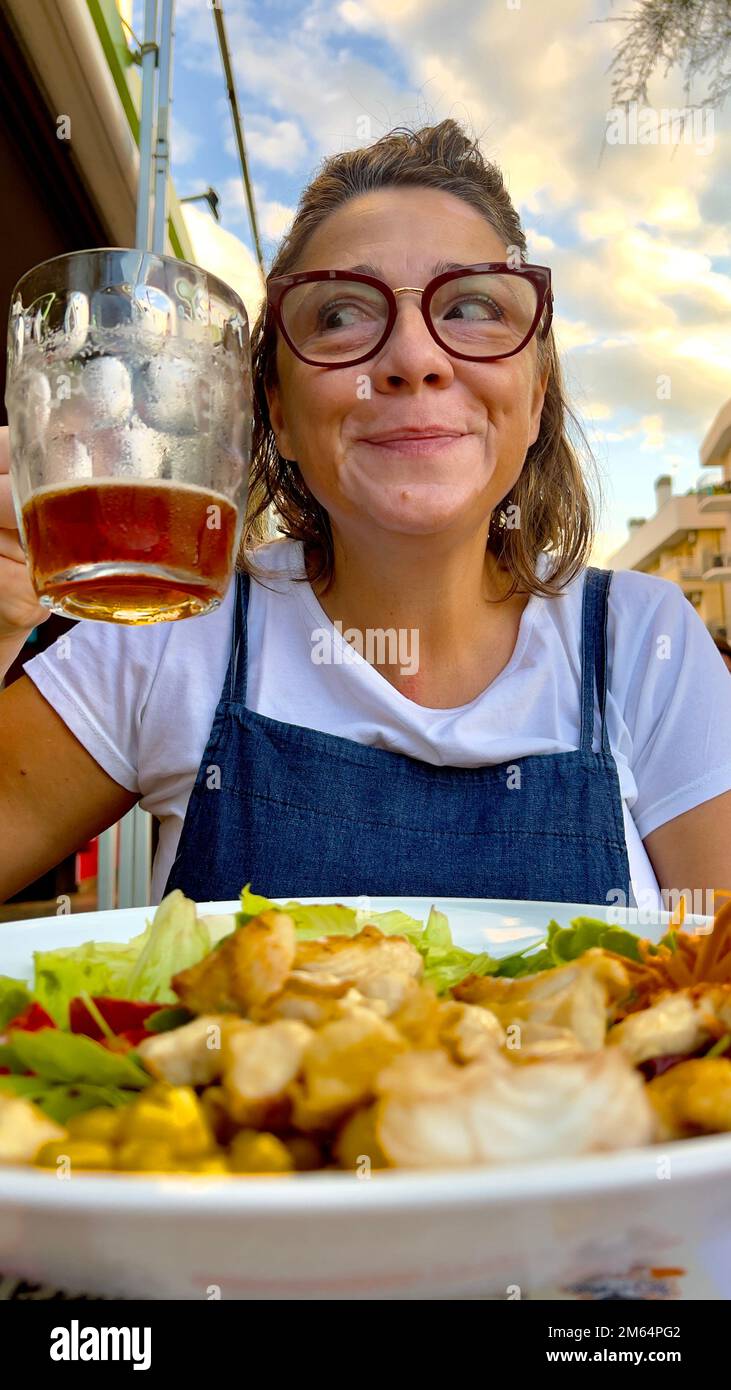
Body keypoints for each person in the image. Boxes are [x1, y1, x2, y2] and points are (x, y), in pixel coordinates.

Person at [1, 119, 730, 912]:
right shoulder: (181, 627)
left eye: (472, 305)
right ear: (276, 411)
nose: (414, 358)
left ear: (534, 397)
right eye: (341, 315)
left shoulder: (642, 640)